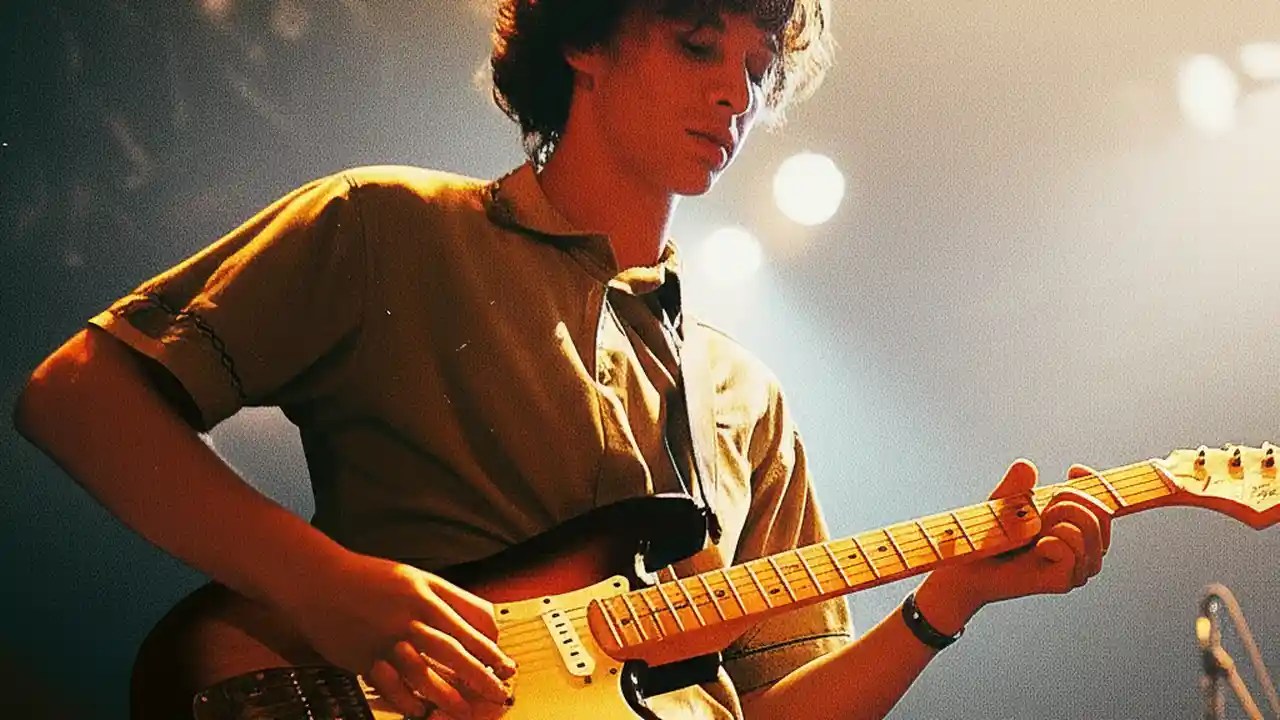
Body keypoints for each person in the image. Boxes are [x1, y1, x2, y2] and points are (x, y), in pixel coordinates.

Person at [13, 1, 1113, 718]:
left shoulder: (746, 399)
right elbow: (79, 397)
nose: (736, 93)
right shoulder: (386, 226)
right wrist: (326, 585)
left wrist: (945, 603)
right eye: (698, 44)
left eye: (755, 64)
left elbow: (770, 711)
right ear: (582, 37)